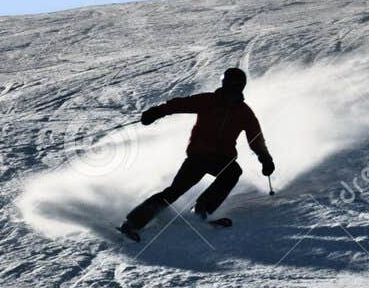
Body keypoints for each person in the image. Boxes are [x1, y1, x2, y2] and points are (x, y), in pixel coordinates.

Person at [118, 67, 275, 241]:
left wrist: (265, 158)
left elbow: (256, 138)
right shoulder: (209, 100)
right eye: (228, 88)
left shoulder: (244, 113)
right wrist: (157, 112)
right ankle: (132, 223)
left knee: (233, 172)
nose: (230, 94)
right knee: (174, 192)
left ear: (240, 89)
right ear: (224, 85)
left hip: (222, 159)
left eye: (234, 89)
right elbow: (180, 104)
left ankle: (201, 210)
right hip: (199, 157)